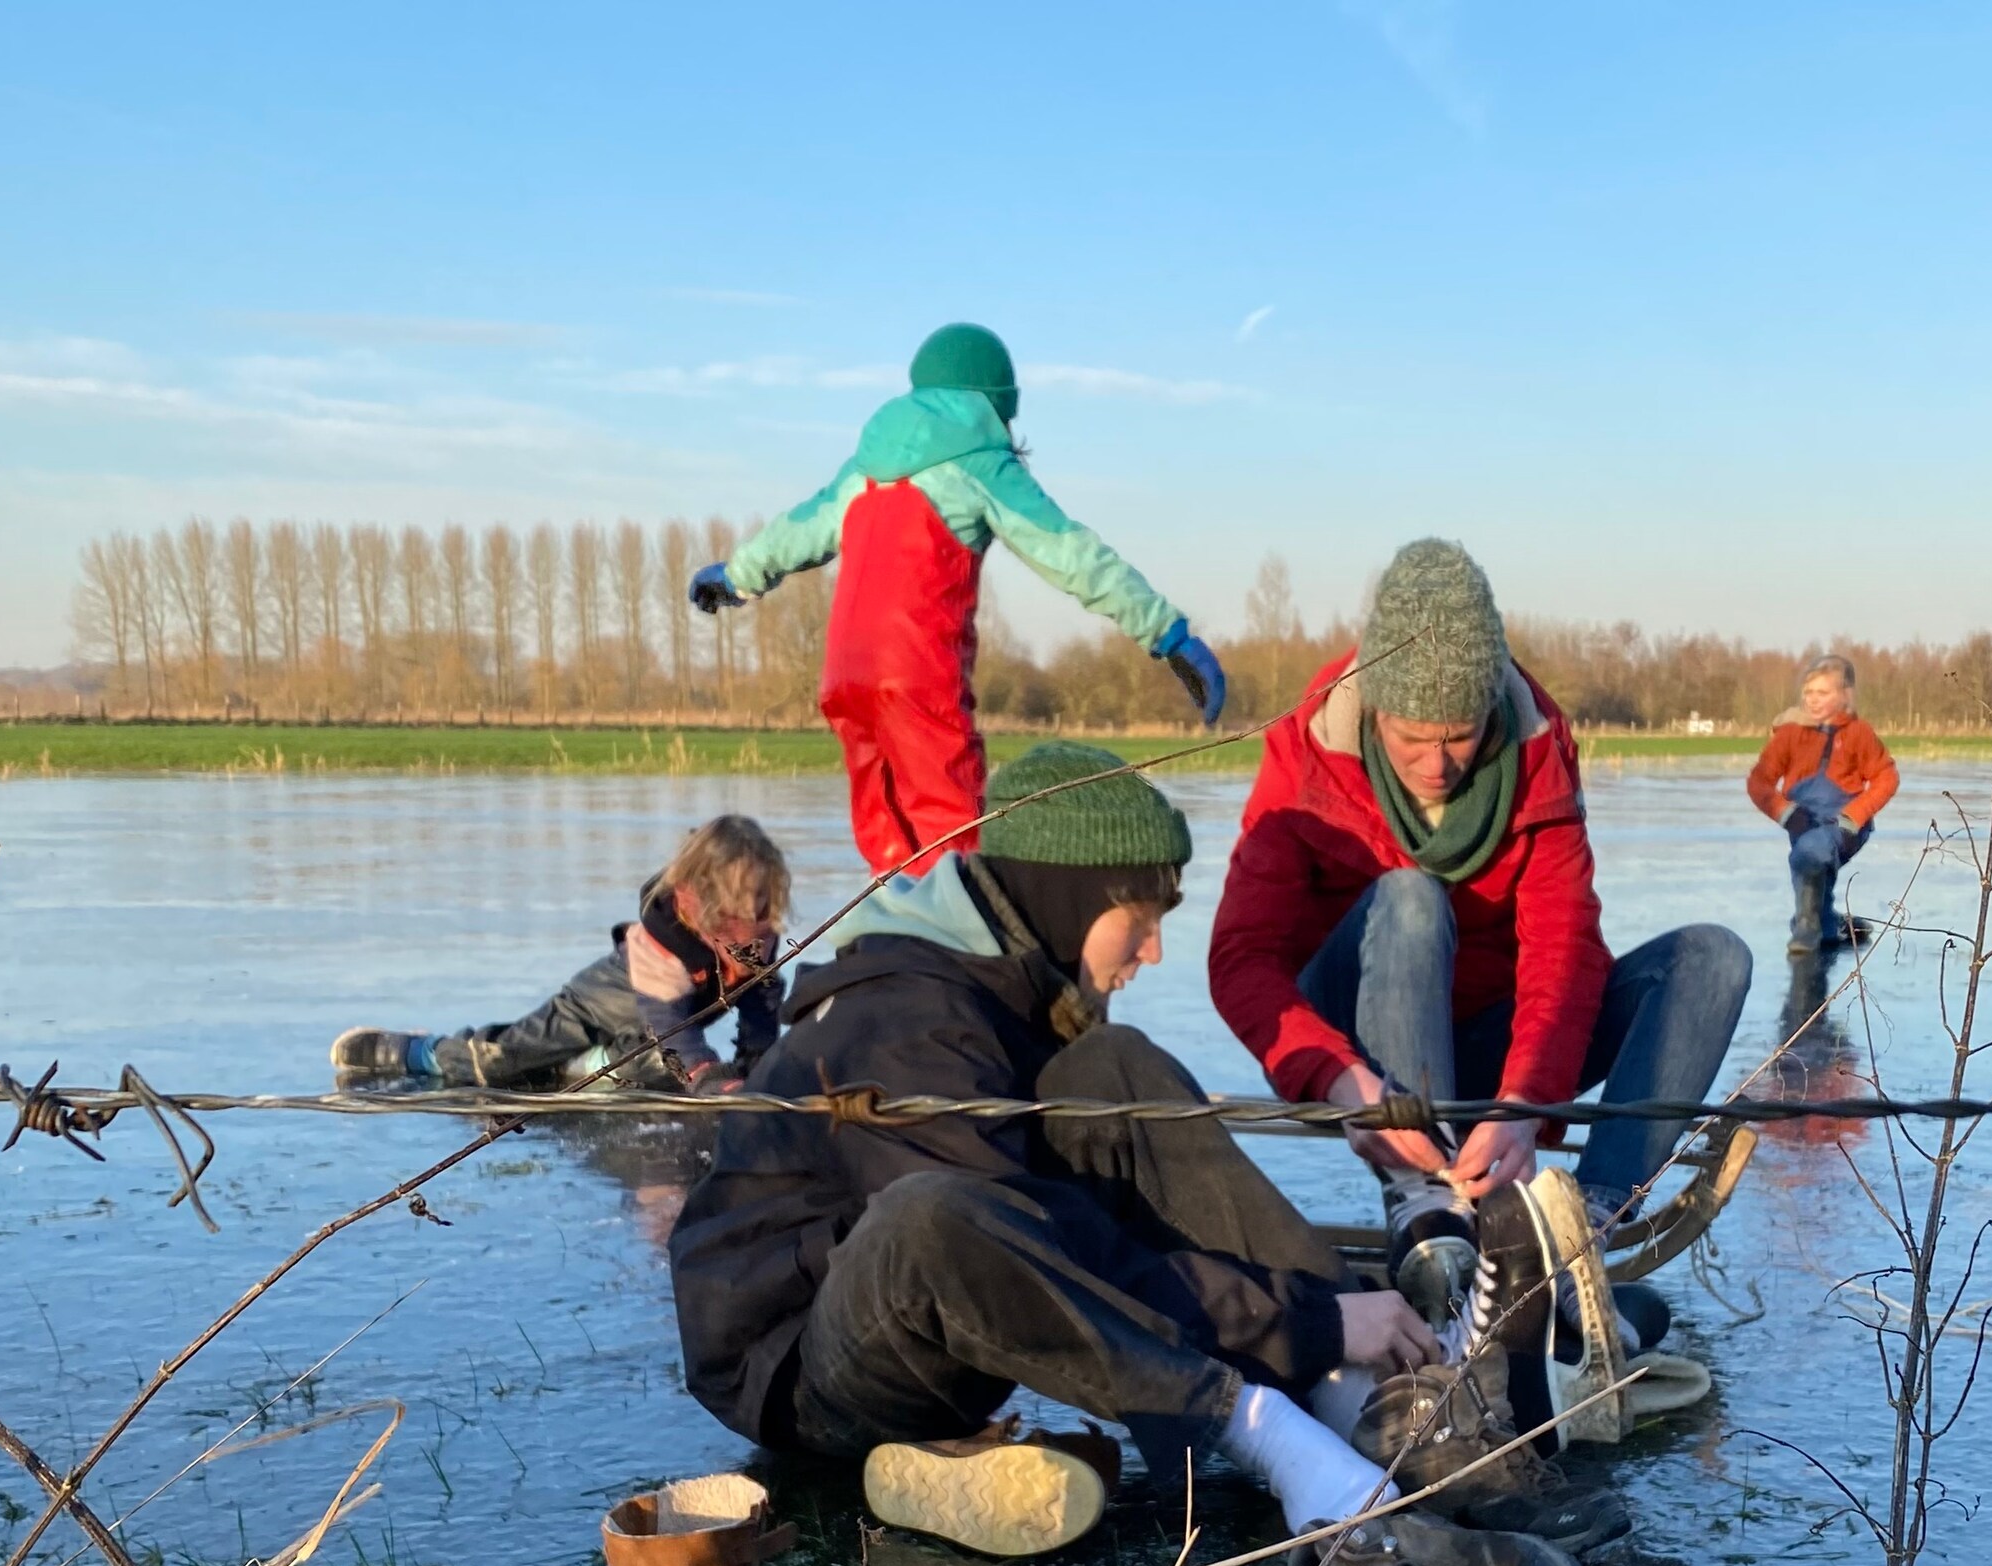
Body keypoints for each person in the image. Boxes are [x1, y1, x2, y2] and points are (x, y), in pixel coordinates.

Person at [669, 741, 1612, 1566]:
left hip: (946, 1320)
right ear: (1070, 896)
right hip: (803, 1365)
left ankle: (1378, 1400)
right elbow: (1057, 1251)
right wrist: (1304, 1316)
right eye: (1141, 918)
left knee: (1116, 1078)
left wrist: (1315, 1320)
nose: (1154, 950)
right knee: (938, 1215)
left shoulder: (1012, 988)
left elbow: (1078, 1235)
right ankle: (1321, 1489)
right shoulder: (906, 1021)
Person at [1207, 537, 1753, 1313]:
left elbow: (1563, 951)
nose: (1437, 764)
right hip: (1366, 1048)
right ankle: (1423, 1198)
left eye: (1460, 736)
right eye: (1412, 739)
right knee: (1410, 897)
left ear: (1492, 705)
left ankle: (1583, 1226)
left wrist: (1527, 1103)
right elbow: (1240, 960)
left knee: (1713, 959)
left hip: (1490, 1044)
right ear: (1374, 703)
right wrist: (1336, 1078)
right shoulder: (1304, 754)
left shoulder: (1538, 747)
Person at [687, 323, 1226, 878]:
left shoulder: (865, 469)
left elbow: (794, 533)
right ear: (995, 404)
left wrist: (735, 576)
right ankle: (963, 951)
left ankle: (887, 944)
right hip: (917, 674)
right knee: (953, 836)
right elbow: (1074, 555)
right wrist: (1167, 633)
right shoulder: (980, 463)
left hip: (845, 677)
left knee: (887, 837)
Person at [330, 813, 790, 1093]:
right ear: (702, 891)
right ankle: (414, 1050)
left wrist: (759, 1061)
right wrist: (709, 1077)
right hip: (596, 1006)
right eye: (738, 900)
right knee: (501, 1062)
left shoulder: (754, 931)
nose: (752, 914)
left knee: (655, 1070)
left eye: (760, 899)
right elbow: (671, 1026)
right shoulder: (661, 939)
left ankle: (582, 1066)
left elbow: (761, 997)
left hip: (652, 1035)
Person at [1747, 655, 1898, 955]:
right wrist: (1785, 812)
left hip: (1846, 823)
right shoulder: (1790, 734)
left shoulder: (1858, 733)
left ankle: (1806, 929)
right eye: (1808, 693)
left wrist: (1855, 815)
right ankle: (1831, 926)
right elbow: (1759, 782)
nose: (1813, 700)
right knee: (1814, 867)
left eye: (1823, 693)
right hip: (1802, 819)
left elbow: (1886, 777)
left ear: (1844, 696)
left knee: (1810, 855)